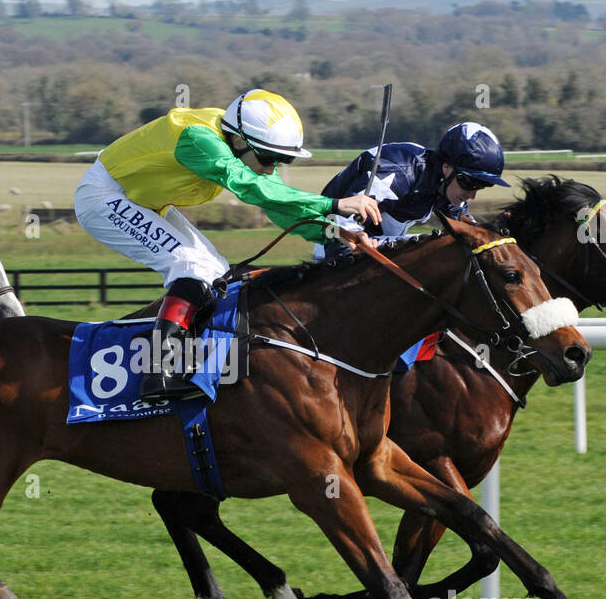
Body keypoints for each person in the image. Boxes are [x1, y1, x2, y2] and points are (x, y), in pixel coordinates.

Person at [75, 88, 380, 403]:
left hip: (141, 201)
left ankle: (194, 359)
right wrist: (334, 202)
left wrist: (334, 232)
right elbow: (250, 187)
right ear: (237, 141)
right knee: (191, 268)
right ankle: (158, 374)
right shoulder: (199, 140)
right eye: (267, 158)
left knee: (216, 272)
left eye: (283, 160)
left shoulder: (240, 145)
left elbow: (275, 202)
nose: (271, 167)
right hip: (104, 197)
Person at [315, 121, 511, 261]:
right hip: (336, 243)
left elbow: (468, 231)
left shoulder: (445, 184)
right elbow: (340, 222)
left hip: (378, 244)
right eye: (469, 183)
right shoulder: (399, 172)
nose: (472, 194)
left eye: (482, 185)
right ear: (446, 167)